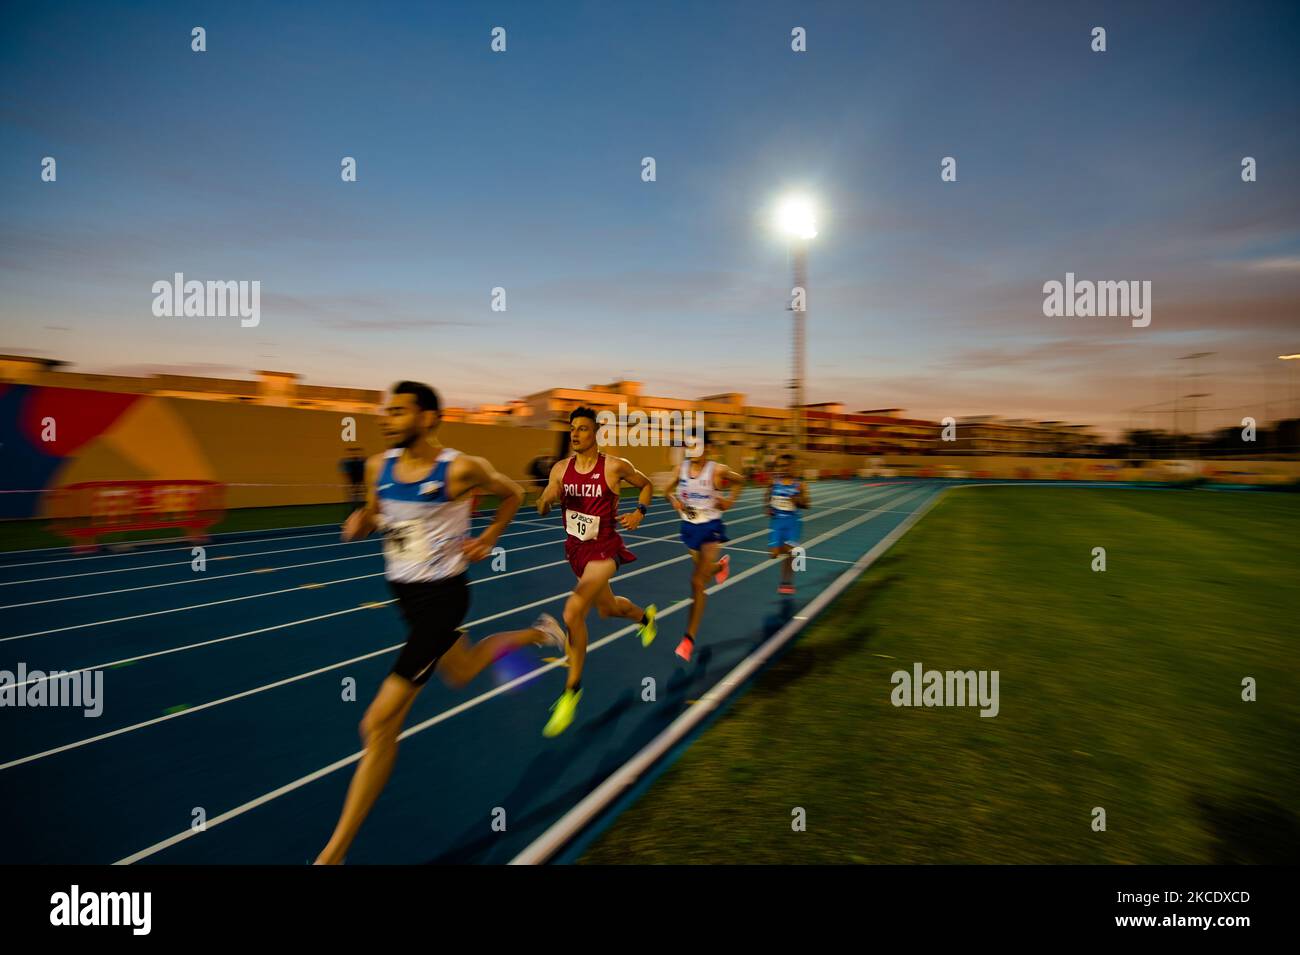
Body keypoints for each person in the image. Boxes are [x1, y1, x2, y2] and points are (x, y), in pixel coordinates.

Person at [315, 381, 566, 864]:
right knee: (463, 670)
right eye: (386, 411)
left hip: (443, 599)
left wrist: (489, 535)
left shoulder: (460, 468)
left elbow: (511, 493)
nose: (387, 419)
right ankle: (541, 632)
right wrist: (361, 521)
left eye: (399, 411)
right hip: (406, 598)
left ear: (429, 418)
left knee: (377, 723)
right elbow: (373, 510)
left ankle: (333, 855)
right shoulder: (377, 466)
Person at [533, 406, 658, 737]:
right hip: (576, 551)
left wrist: (639, 512)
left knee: (574, 610)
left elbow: (646, 485)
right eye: (573, 428)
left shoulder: (615, 466)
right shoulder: (560, 469)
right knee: (608, 608)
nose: (575, 434)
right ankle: (645, 618)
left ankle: (571, 691)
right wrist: (547, 499)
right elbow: (542, 504)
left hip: (605, 550)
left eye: (583, 429)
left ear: (596, 432)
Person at [663, 435, 744, 662]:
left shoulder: (717, 470)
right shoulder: (681, 468)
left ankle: (688, 639)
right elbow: (666, 490)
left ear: (707, 447)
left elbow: (740, 480)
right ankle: (720, 567)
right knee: (703, 572)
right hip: (690, 528)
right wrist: (674, 500)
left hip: (711, 528)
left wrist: (730, 501)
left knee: (697, 582)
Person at [766, 453, 810, 595]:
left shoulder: (800, 485)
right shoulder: (774, 482)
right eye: (780, 466)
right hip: (777, 522)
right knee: (773, 554)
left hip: (792, 523)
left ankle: (786, 582)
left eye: (786, 466)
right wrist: (768, 507)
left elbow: (807, 504)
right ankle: (794, 553)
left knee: (790, 552)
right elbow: (767, 495)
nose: (783, 468)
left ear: (793, 466)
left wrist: (797, 500)